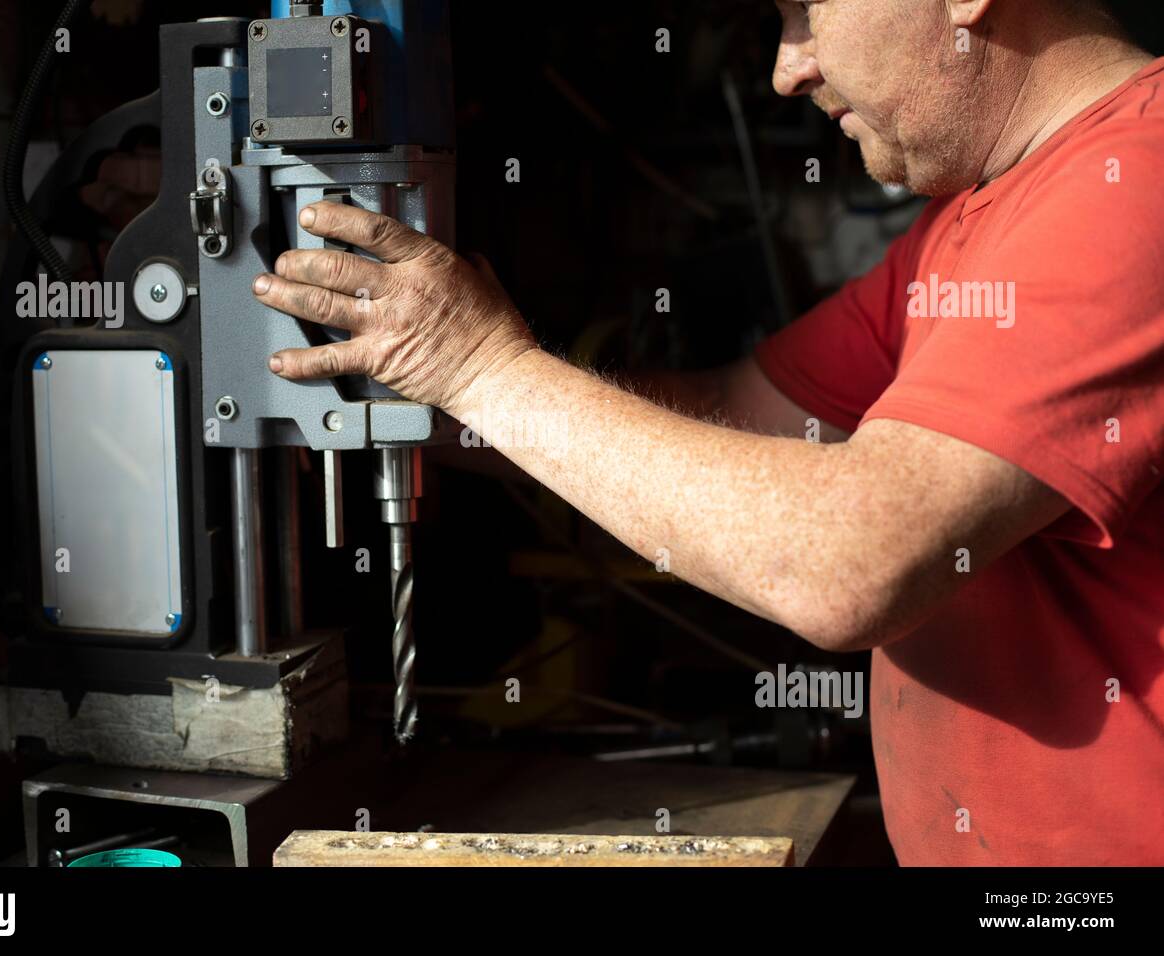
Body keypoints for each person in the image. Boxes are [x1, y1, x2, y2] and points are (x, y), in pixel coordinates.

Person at [249, 0, 1164, 865]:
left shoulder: (1133, 180)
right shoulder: (973, 221)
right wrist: (405, 398)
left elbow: (850, 560)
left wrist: (484, 369)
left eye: (806, 11)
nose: (786, 70)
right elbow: (739, 409)